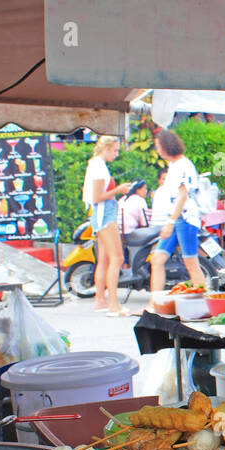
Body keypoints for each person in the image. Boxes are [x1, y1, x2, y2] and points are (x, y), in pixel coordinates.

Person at [148, 129, 205, 300]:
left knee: (191, 262)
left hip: (185, 218)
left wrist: (171, 221)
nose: (157, 150)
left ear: (166, 146)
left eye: (158, 146)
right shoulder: (175, 166)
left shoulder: (182, 165)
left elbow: (183, 195)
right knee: (157, 260)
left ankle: (204, 303)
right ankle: (154, 304)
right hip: (177, 218)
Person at [85, 135, 135, 317]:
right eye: (114, 150)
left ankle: (101, 299)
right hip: (104, 214)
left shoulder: (95, 164)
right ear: (105, 148)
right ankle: (113, 304)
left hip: (102, 214)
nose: (116, 154)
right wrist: (118, 190)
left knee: (105, 259)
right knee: (117, 258)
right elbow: (97, 197)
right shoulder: (98, 167)